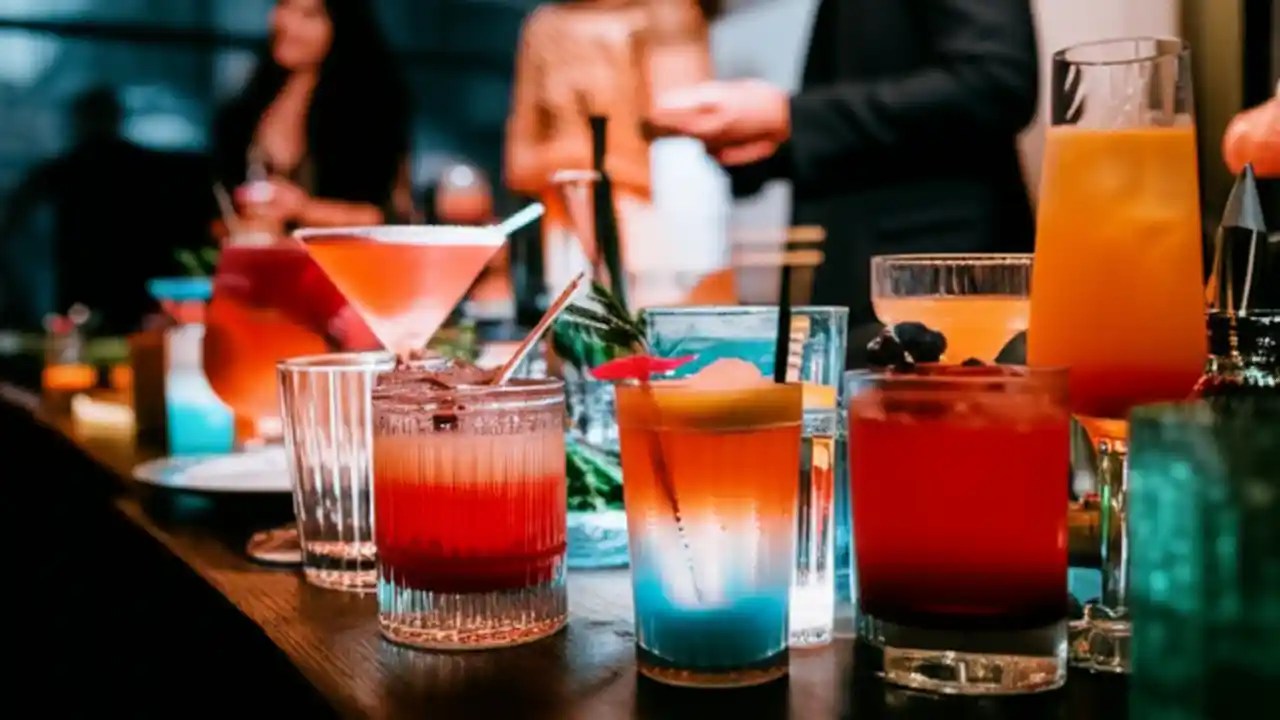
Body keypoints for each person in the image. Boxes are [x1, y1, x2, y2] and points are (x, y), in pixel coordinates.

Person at [650, 0, 1039, 365]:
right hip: (875, 280)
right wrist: (763, 140)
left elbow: (996, 79)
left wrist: (790, 117)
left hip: (947, 288)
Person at [505, 0, 725, 309]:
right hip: (568, 234)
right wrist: (578, 160)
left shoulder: (666, 13)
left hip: (650, 227)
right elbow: (518, 164)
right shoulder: (544, 29)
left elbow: (683, 134)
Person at [212, 0, 414, 232]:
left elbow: (381, 218)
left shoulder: (371, 108)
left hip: (337, 254)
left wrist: (302, 209)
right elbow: (218, 208)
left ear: (340, 25)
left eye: (309, 15)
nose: (288, 23)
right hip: (256, 250)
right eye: (285, 5)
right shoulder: (246, 105)